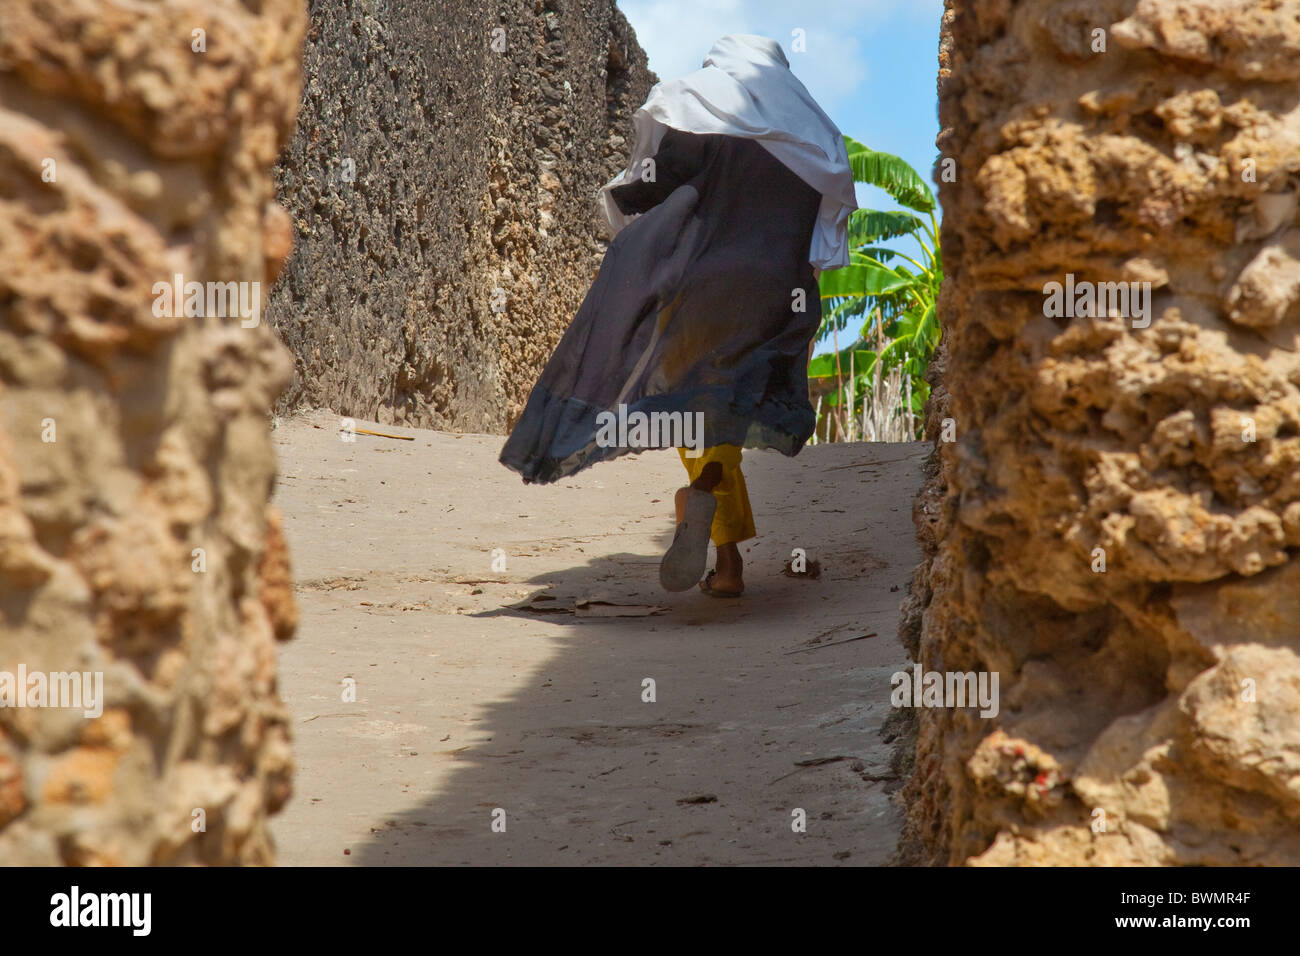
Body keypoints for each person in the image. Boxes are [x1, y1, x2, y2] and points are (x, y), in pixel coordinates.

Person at [499, 33, 856, 598]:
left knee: (693, 395)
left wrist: (625, 199)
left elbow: (655, 180)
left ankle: (715, 524)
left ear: (724, 63)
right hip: (770, 286)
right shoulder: (810, 127)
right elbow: (828, 217)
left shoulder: (702, 102)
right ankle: (727, 559)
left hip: (698, 280)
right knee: (729, 398)